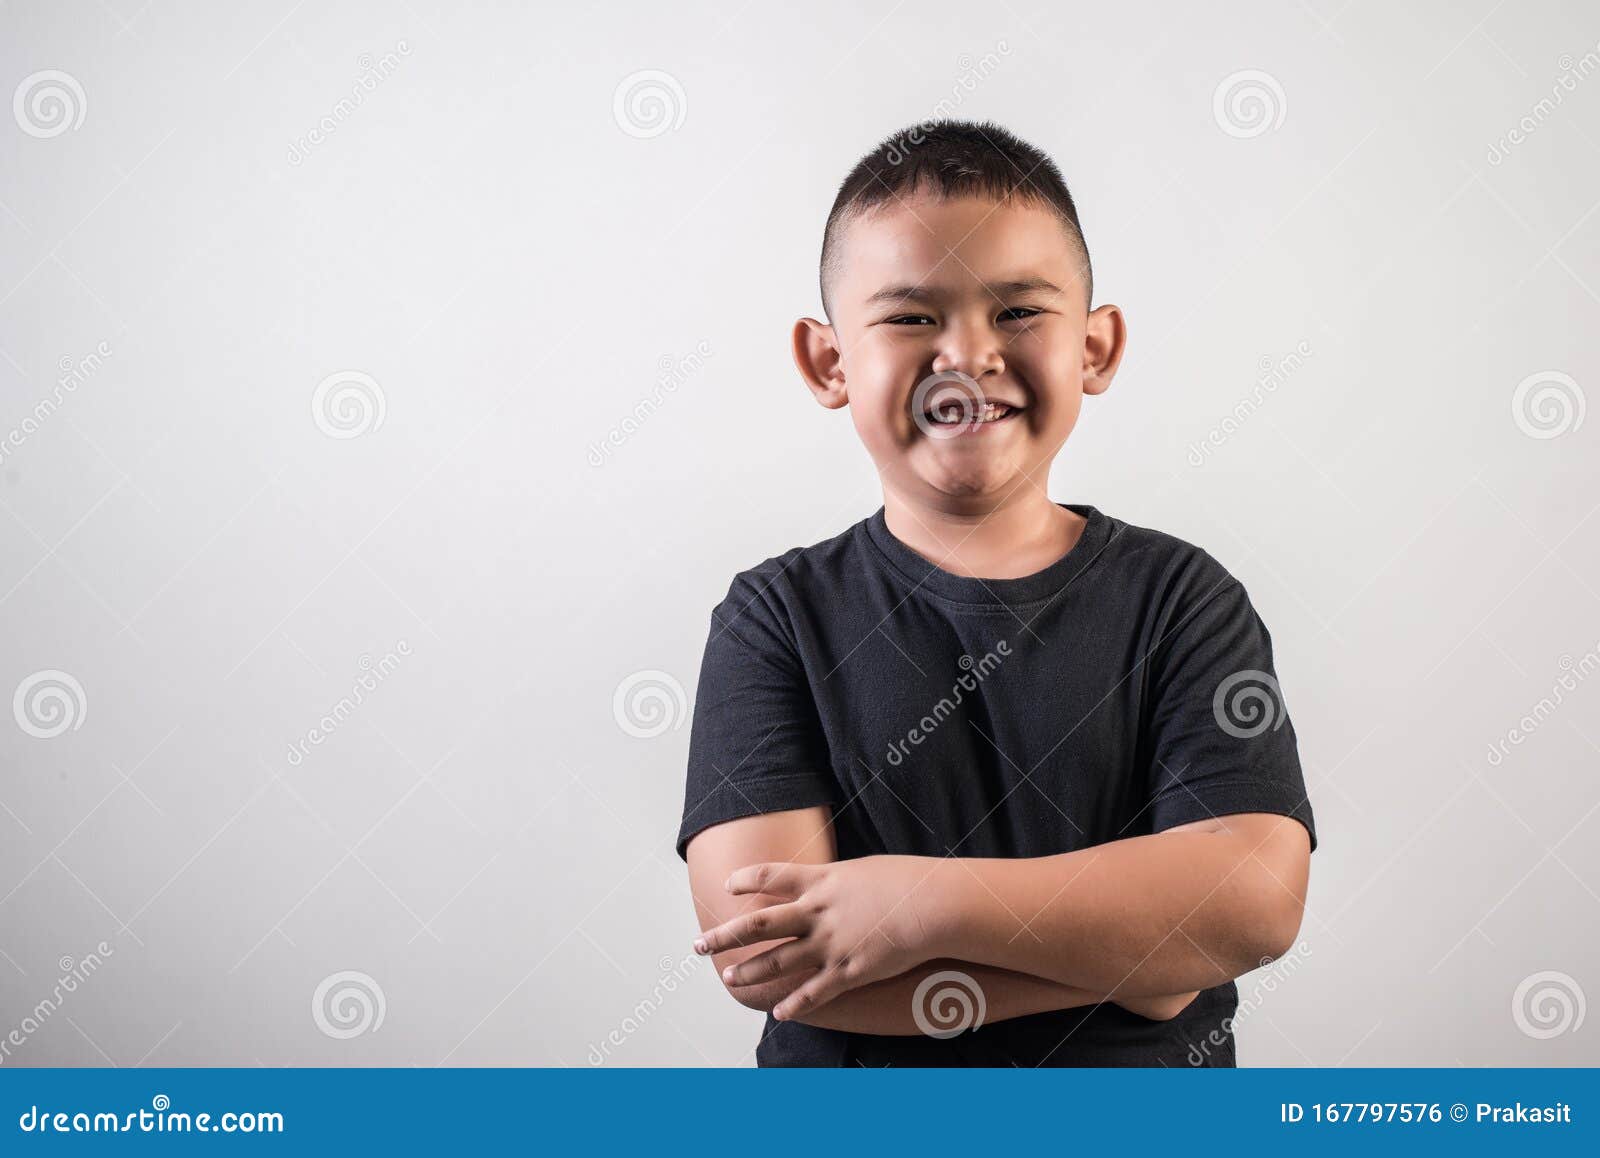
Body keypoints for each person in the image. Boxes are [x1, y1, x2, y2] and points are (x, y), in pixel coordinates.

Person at [675, 120, 1317, 1067]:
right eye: (908, 316)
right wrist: (1143, 962)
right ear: (828, 362)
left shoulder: (1183, 600)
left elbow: (1254, 900)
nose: (968, 354)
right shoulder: (775, 618)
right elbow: (772, 955)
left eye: (1019, 312)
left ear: (1095, 348)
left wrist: (909, 905)